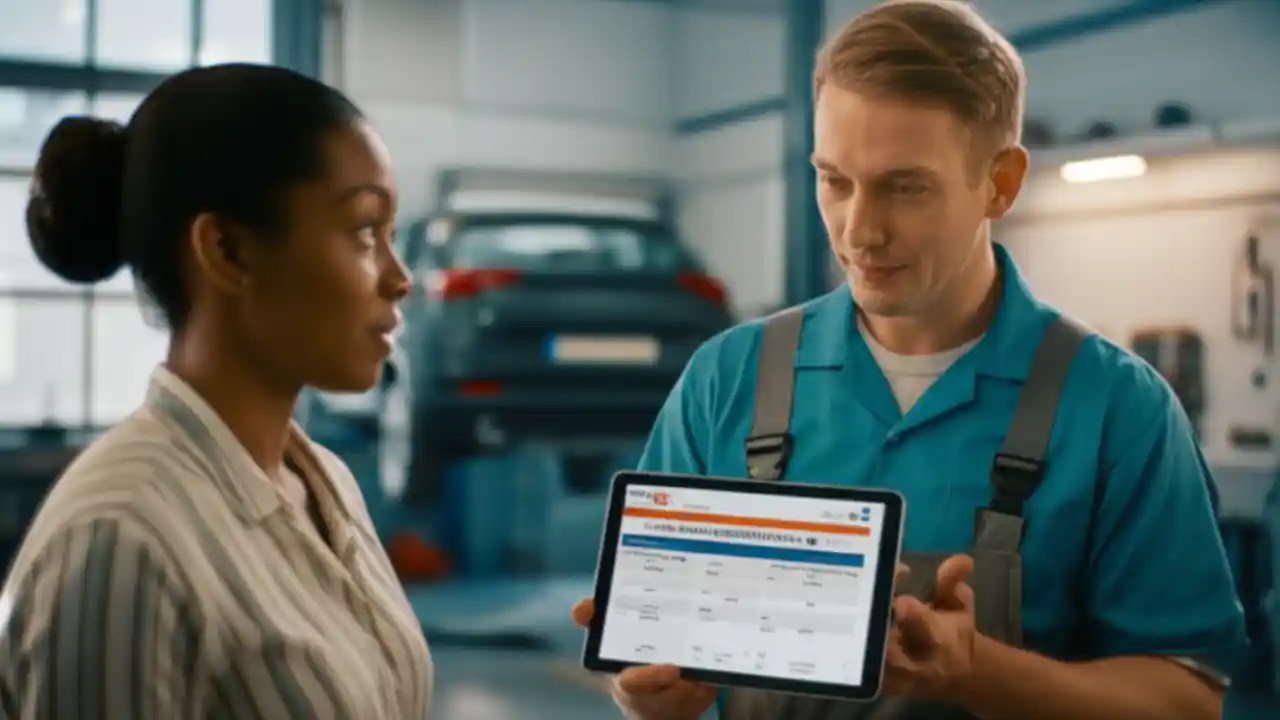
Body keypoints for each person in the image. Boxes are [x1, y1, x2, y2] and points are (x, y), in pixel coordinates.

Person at [571, 1, 1247, 718]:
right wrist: (652, 699)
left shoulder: (1119, 408)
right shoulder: (726, 377)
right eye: (835, 180)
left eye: (905, 186)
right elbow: (655, 656)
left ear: (1001, 182)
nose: (859, 230)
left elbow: (1185, 702)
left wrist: (981, 675)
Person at [0, 64, 432, 718]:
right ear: (227, 249)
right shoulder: (120, 539)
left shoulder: (327, 483)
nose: (400, 278)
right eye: (365, 229)